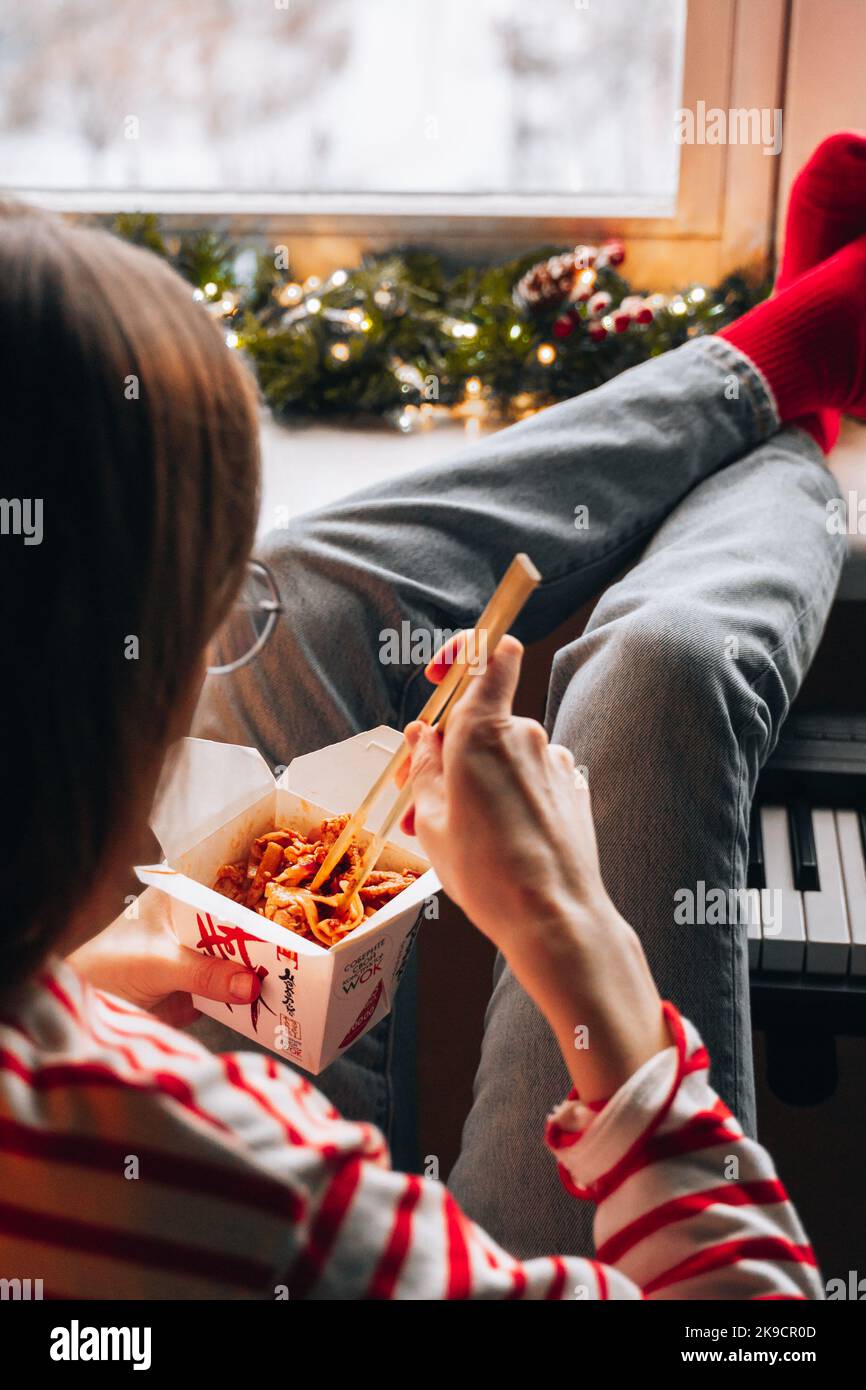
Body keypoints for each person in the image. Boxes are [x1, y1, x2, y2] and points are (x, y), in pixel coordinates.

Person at [0, 130, 860, 1296]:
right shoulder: (278, 1211)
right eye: (204, 626)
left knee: (301, 586)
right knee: (664, 672)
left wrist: (110, 964)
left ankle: (765, 367)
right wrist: (570, 928)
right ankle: (792, 397)